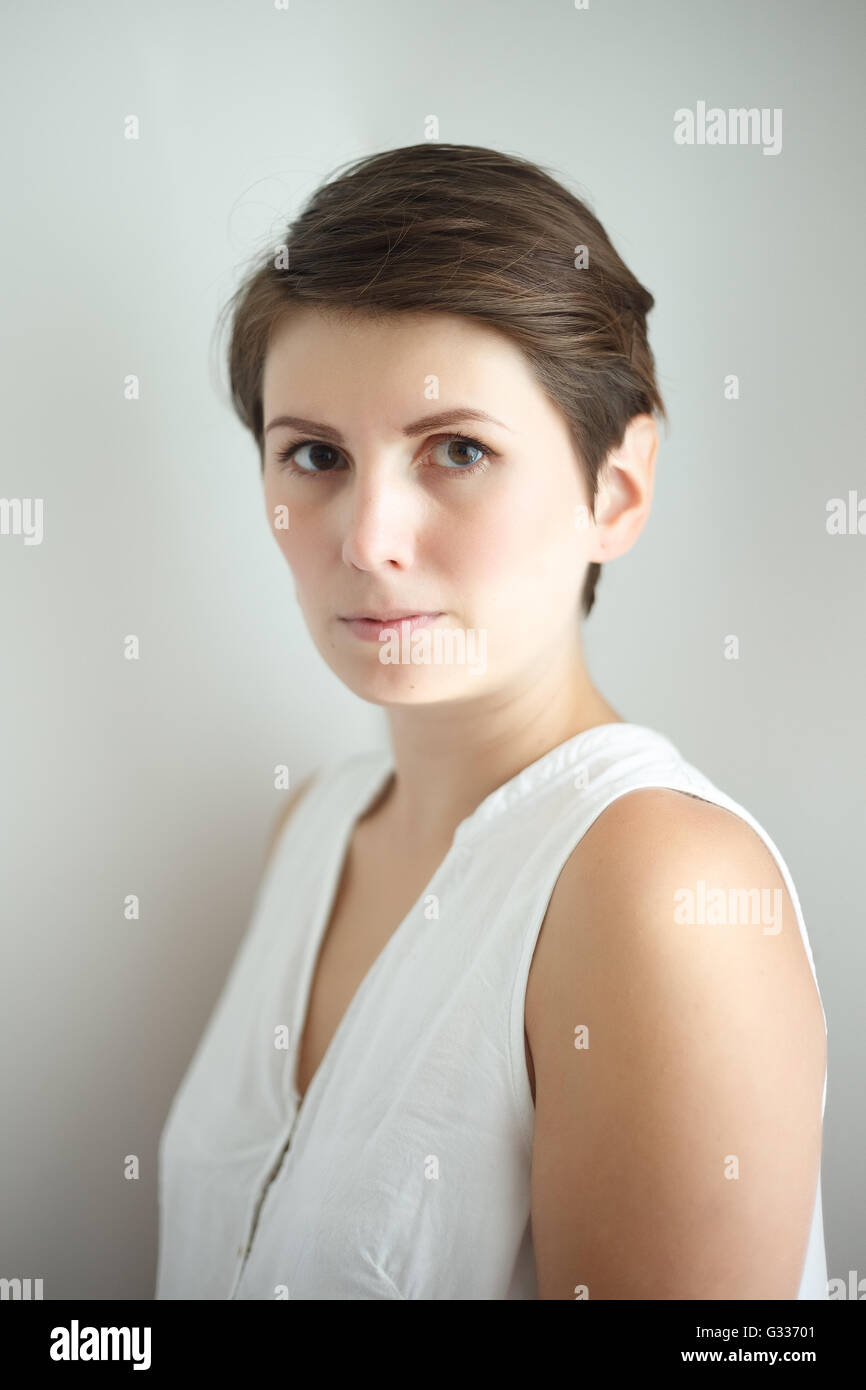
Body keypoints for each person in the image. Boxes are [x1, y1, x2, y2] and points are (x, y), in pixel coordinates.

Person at [155, 143, 828, 1300]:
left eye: (456, 450)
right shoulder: (310, 829)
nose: (366, 539)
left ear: (612, 489)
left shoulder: (657, 891)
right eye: (313, 455)